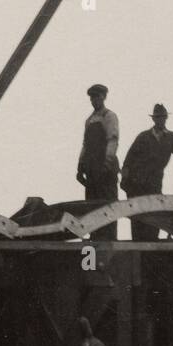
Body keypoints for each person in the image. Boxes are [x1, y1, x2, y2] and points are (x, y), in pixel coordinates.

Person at [120, 104, 173, 241]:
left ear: (166, 118)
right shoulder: (143, 137)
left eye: (162, 117)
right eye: (157, 117)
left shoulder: (171, 137)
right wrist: (124, 179)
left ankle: (150, 249)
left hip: (154, 182)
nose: (160, 120)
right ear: (154, 119)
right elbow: (128, 161)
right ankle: (139, 248)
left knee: (154, 217)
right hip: (136, 183)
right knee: (138, 219)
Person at [76, 83, 120, 240]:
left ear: (104, 97)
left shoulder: (109, 116)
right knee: (92, 206)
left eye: (97, 96)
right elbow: (85, 145)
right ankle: (95, 237)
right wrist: (80, 167)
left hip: (105, 170)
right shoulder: (89, 120)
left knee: (108, 205)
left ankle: (108, 238)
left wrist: (107, 163)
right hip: (92, 169)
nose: (94, 100)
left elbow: (113, 139)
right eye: (92, 97)